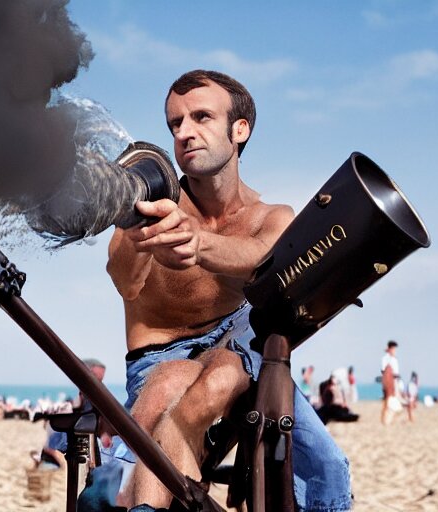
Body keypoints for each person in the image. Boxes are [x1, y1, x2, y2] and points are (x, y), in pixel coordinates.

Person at [105, 69, 351, 511]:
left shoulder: (271, 216)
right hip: (159, 354)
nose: (185, 132)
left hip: (239, 345)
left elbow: (265, 258)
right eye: (175, 123)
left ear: (240, 129)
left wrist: (198, 244)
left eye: (201, 117)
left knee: (328, 469)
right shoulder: (150, 197)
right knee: (163, 393)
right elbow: (125, 280)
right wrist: (139, 239)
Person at [380, 340, 401, 425]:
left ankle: (388, 420)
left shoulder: (394, 359)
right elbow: (384, 371)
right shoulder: (385, 359)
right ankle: (384, 420)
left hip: (394, 381)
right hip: (389, 381)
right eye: (393, 349)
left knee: (391, 401)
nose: (394, 351)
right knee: (387, 401)